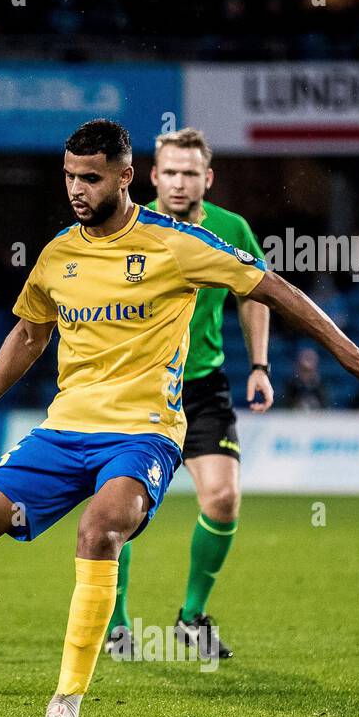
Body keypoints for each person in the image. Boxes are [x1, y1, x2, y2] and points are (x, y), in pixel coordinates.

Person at [0, 119, 359, 717]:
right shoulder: (58, 253)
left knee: (100, 529)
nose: (76, 189)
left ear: (126, 177)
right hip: (64, 430)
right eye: (69, 176)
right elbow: (29, 333)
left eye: (90, 178)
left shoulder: (177, 243)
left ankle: (65, 702)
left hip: (144, 432)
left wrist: (351, 355)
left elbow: (273, 287)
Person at [106, 127, 274, 661]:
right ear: (154, 176)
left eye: (190, 173)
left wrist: (260, 365)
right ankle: (115, 623)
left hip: (202, 387)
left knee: (222, 499)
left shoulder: (231, 228)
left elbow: (256, 294)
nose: (180, 182)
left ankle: (191, 617)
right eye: (171, 172)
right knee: (119, 512)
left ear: (208, 177)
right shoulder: (128, 227)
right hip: (139, 391)